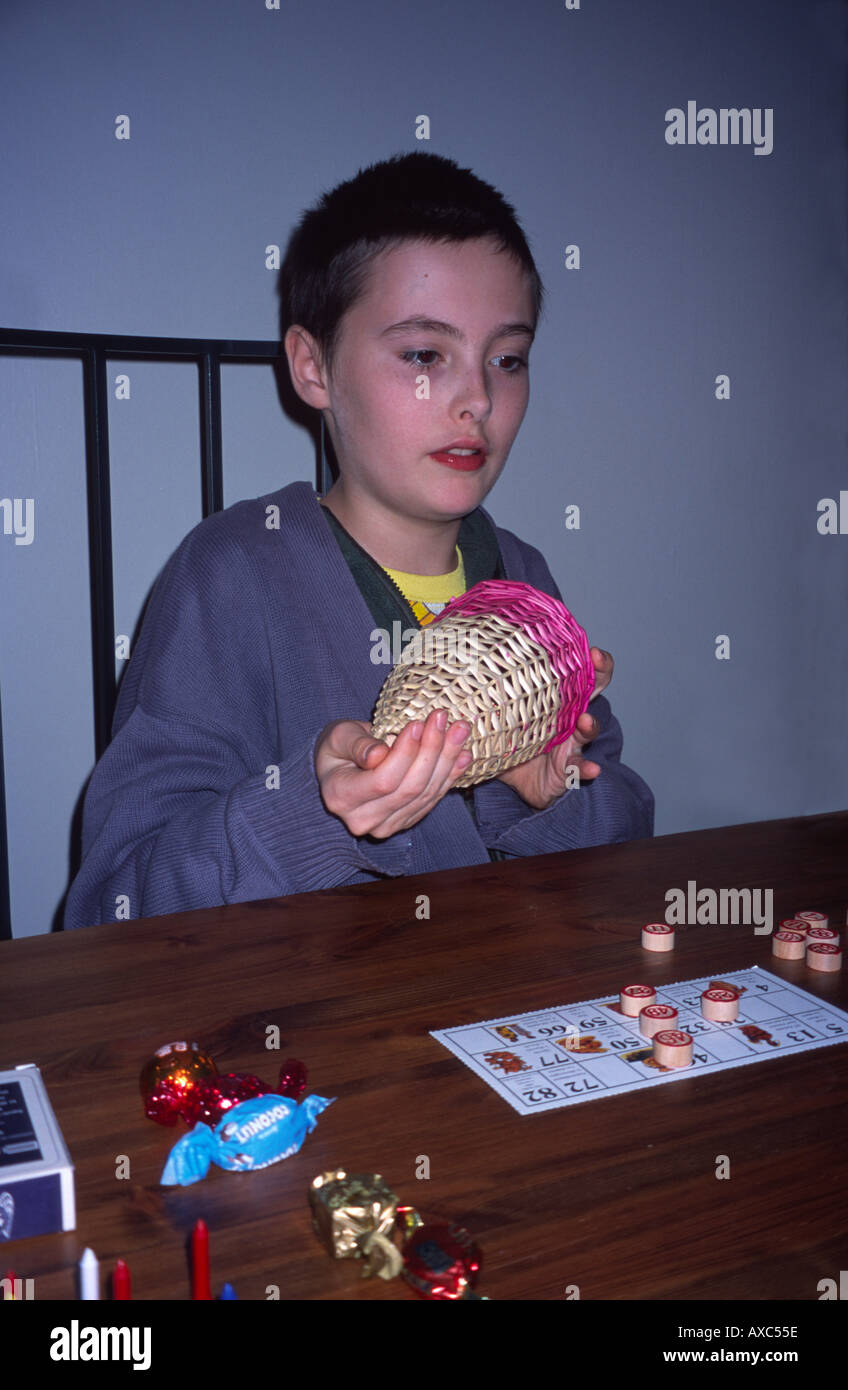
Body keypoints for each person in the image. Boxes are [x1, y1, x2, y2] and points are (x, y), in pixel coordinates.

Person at [63, 151, 653, 930]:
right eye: (423, 356)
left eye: (507, 359)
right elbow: (115, 909)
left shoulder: (525, 583)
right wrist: (313, 809)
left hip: (499, 1024)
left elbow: (625, 851)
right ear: (313, 367)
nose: (477, 397)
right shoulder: (234, 576)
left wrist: (546, 794)